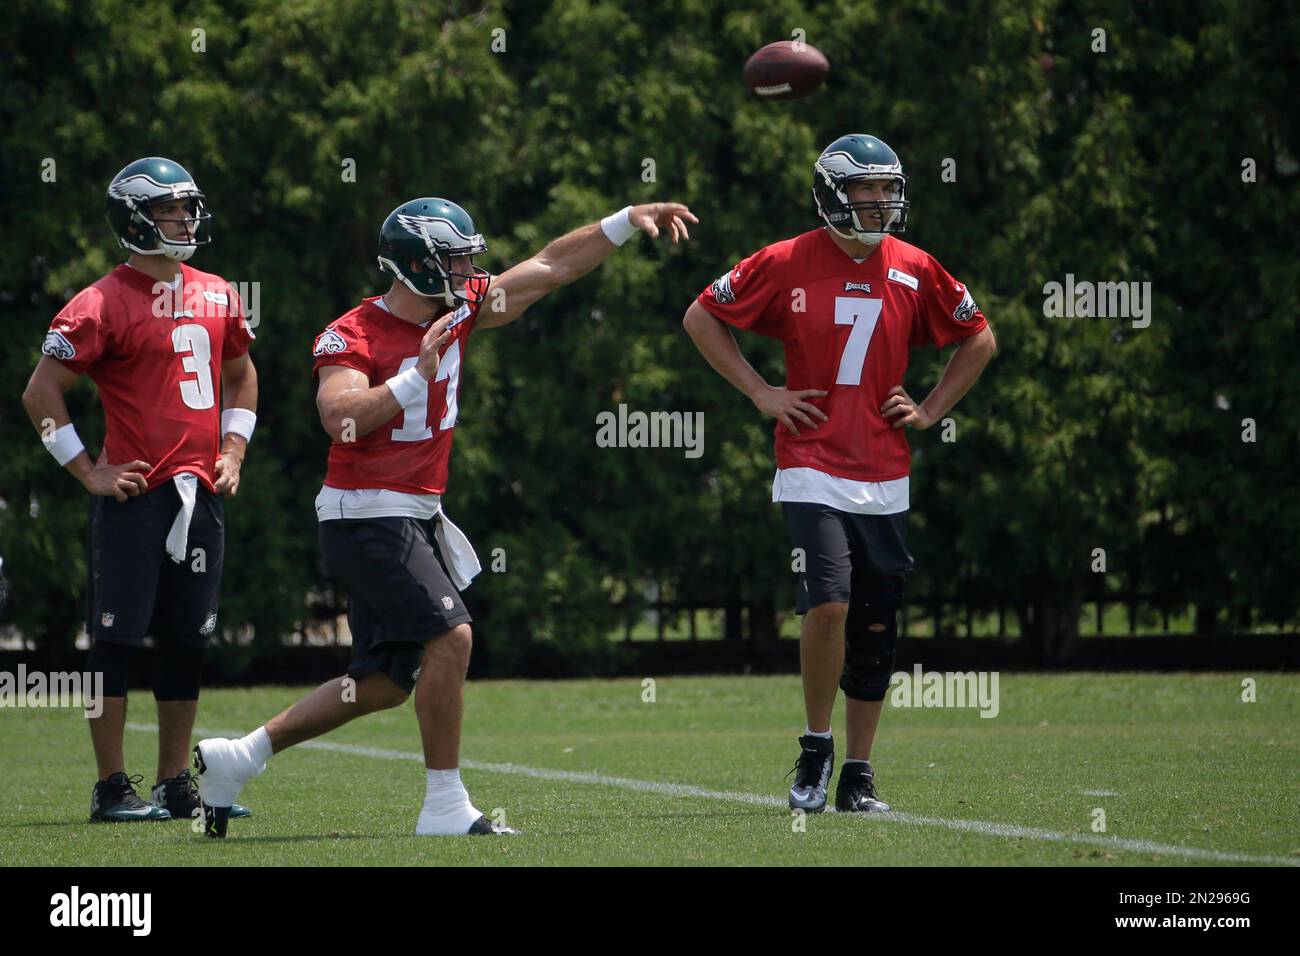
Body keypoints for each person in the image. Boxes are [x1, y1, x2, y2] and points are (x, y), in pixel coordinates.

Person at [194, 195, 696, 837]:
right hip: (365, 513)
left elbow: (550, 267)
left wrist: (625, 220)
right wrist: (413, 377)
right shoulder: (352, 333)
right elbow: (338, 418)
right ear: (417, 265)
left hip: (410, 514)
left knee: (380, 682)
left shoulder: (457, 311)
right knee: (452, 637)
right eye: (454, 260)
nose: (468, 272)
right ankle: (444, 805)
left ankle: (239, 758)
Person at [683, 134, 995, 814]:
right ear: (833, 192)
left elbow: (980, 336)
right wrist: (761, 391)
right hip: (810, 461)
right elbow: (702, 315)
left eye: (888, 188)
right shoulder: (787, 260)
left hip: (884, 469)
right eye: (868, 189)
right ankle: (816, 746)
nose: (882, 201)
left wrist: (932, 408)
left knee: (878, 622)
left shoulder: (914, 265)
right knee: (829, 601)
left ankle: (858, 774)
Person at [21, 157, 258, 823]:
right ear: (135, 218)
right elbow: (40, 392)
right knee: (116, 641)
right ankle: (110, 787)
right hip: (133, 496)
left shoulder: (217, 291)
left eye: (188, 207)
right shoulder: (98, 302)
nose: (185, 219)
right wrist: (87, 471)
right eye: (170, 209)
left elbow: (242, 376)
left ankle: (174, 783)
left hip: (199, 493)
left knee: (188, 640)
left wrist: (233, 449)